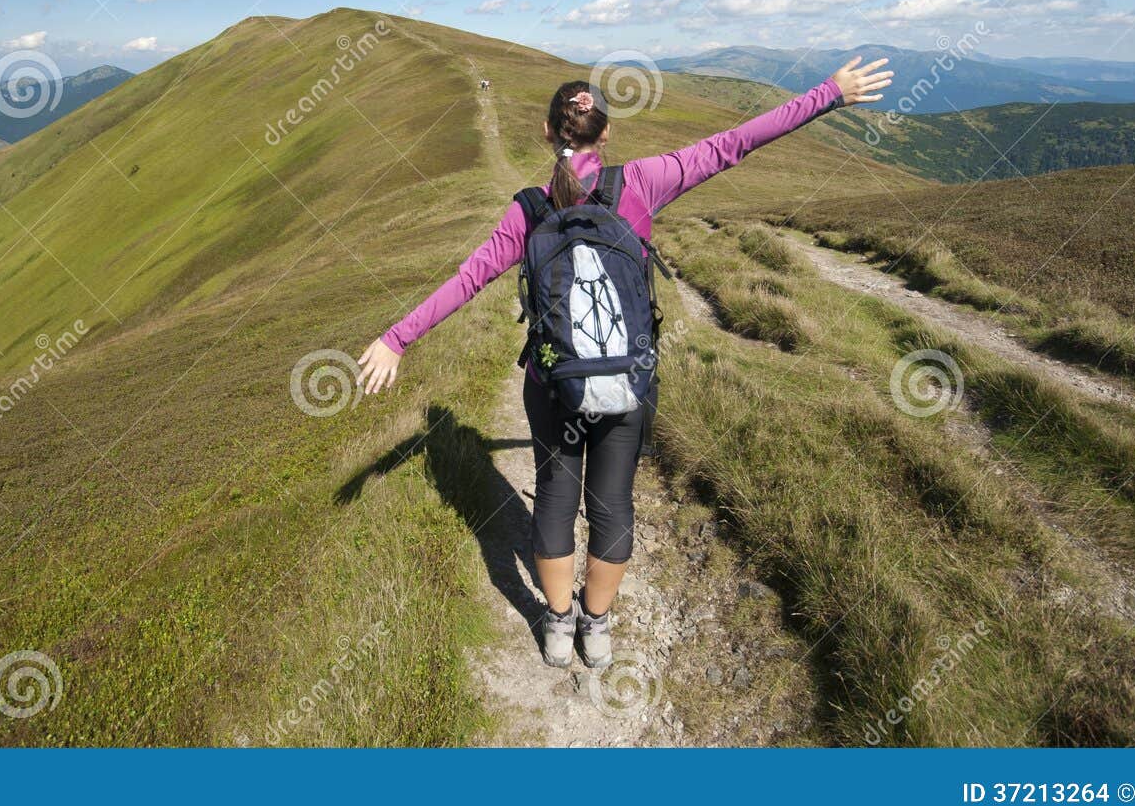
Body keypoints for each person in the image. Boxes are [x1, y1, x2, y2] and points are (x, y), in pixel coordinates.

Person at [356, 56, 892, 669]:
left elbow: (467, 280)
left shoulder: (528, 210)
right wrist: (828, 94)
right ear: (603, 134)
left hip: (554, 383)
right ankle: (597, 625)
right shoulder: (641, 181)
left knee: (556, 498)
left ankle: (557, 625)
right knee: (613, 501)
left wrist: (397, 339)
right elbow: (736, 143)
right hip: (627, 378)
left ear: (548, 135)